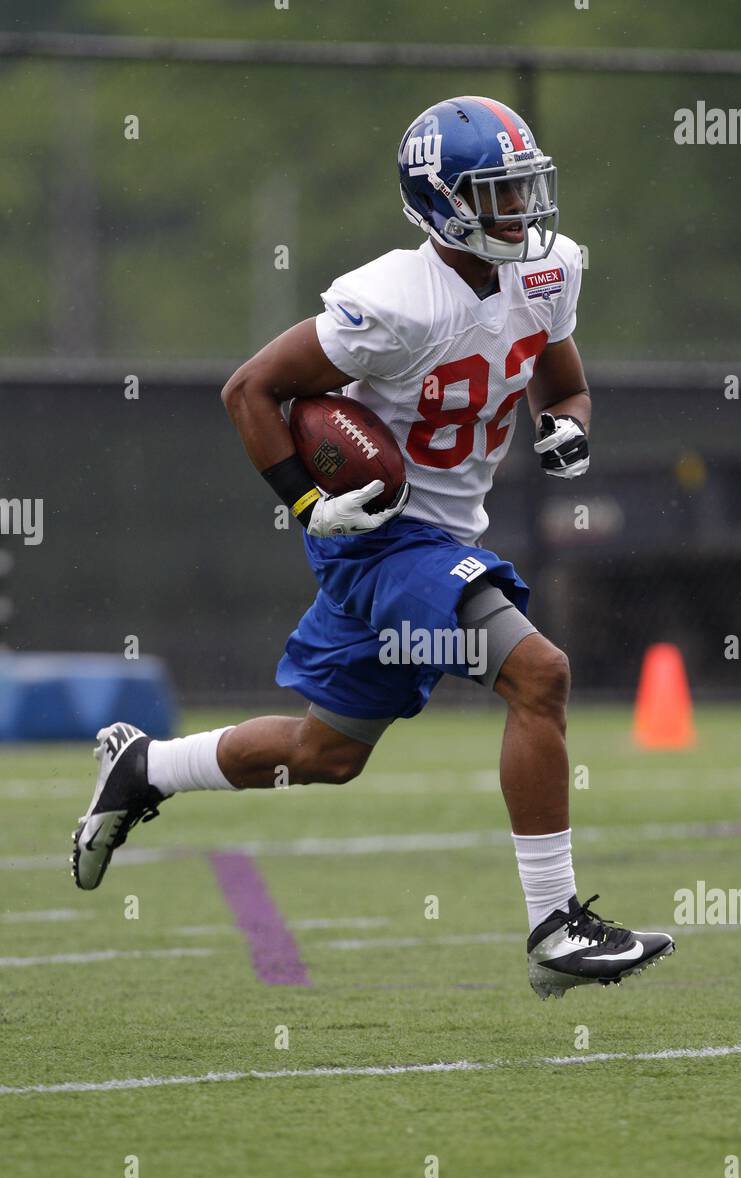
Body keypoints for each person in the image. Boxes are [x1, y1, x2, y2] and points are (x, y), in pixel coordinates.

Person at [71, 95, 674, 996]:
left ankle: (145, 766)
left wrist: (569, 427)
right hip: (381, 541)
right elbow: (251, 389)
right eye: (498, 195)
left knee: (327, 755)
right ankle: (555, 926)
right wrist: (308, 503)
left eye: (525, 190)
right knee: (539, 674)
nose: (524, 212)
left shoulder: (547, 272)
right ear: (442, 204)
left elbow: (563, 382)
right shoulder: (392, 301)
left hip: (441, 537)